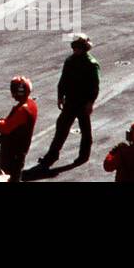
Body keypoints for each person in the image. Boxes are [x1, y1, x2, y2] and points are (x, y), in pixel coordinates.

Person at [36, 33, 100, 168]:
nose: (75, 50)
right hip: (71, 101)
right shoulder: (70, 61)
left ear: (84, 48)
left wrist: (90, 103)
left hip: (82, 102)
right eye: (74, 47)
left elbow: (94, 86)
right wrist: (60, 96)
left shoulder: (91, 64)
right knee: (61, 128)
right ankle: (52, 155)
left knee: (85, 131)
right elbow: (63, 80)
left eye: (78, 47)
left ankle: (84, 155)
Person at [0, 75, 38, 182]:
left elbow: (4, 128)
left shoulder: (22, 111)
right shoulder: (32, 104)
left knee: (9, 176)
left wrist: (1, 122)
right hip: (20, 149)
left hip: (12, 151)